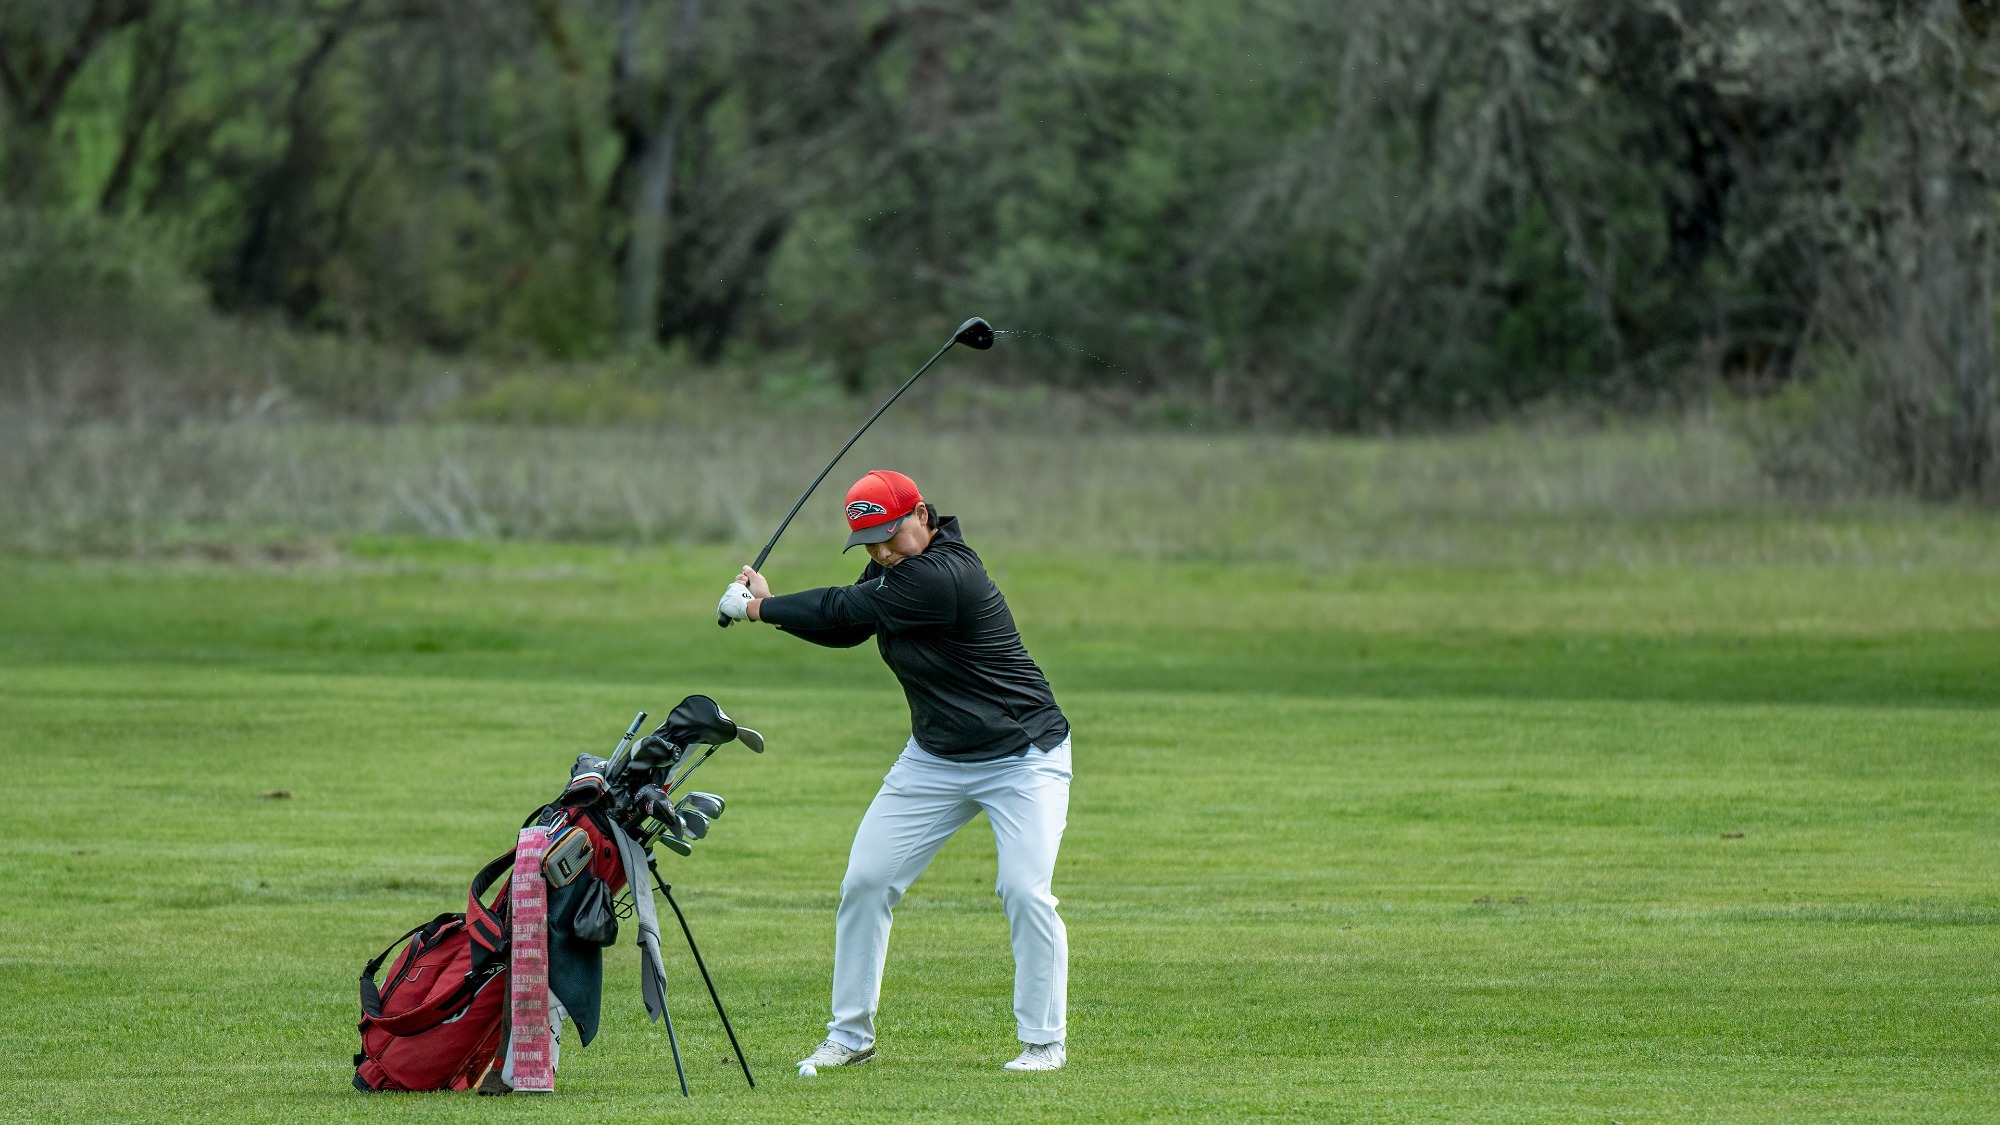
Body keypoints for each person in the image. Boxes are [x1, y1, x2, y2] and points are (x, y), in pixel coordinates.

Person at [717, 469, 1072, 1074]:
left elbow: (844, 606)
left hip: (1022, 756)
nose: (881, 553)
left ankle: (1044, 1043)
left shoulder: (945, 575)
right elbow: (849, 626)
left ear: (922, 516)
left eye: (889, 536)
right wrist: (772, 608)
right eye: (869, 545)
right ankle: (850, 1036)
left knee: (1023, 889)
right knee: (866, 881)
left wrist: (756, 607)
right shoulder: (894, 573)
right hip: (934, 757)